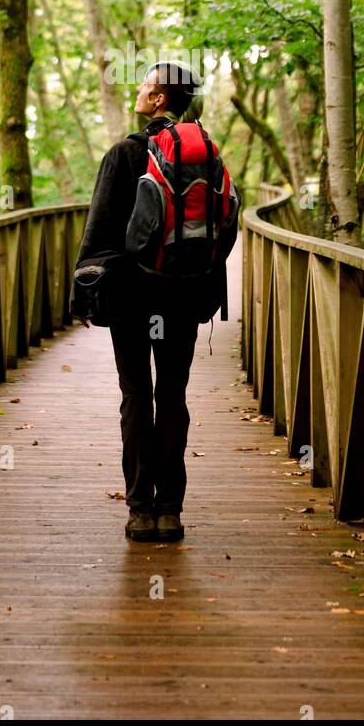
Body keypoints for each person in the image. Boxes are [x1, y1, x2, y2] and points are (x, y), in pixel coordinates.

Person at [71, 61, 237, 543]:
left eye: (146, 86)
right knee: (173, 396)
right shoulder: (205, 155)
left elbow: (99, 231)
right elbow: (224, 228)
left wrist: (84, 298)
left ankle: (140, 510)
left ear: (160, 99)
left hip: (130, 297)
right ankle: (171, 510)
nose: (140, 91)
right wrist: (203, 281)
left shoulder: (125, 154)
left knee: (136, 397)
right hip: (183, 295)